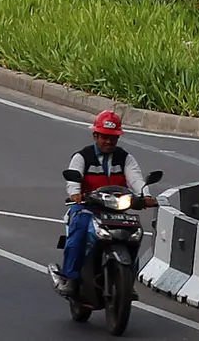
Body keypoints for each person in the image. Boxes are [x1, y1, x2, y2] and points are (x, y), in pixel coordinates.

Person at [51, 110, 149, 296]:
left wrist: (145, 196)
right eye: (104, 137)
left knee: (133, 234)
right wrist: (75, 194)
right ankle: (71, 278)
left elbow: (136, 179)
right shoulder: (82, 157)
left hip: (115, 209)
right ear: (95, 135)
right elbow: (73, 180)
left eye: (113, 137)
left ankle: (128, 281)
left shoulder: (125, 158)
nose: (109, 142)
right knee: (79, 230)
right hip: (87, 208)